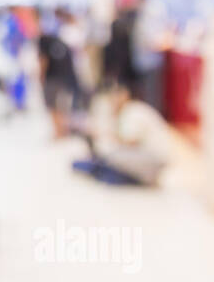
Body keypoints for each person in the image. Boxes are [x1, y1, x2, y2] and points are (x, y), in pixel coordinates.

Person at [72, 80, 170, 186]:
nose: (113, 101)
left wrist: (104, 135)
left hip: (152, 162)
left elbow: (130, 141)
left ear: (125, 96)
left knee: (107, 158)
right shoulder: (128, 111)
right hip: (149, 161)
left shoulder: (133, 111)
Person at [38, 9, 79, 139]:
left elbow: (43, 60)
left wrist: (41, 76)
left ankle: (59, 131)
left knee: (53, 106)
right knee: (61, 105)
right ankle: (61, 130)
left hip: (53, 77)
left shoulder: (45, 38)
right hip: (65, 75)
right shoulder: (61, 32)